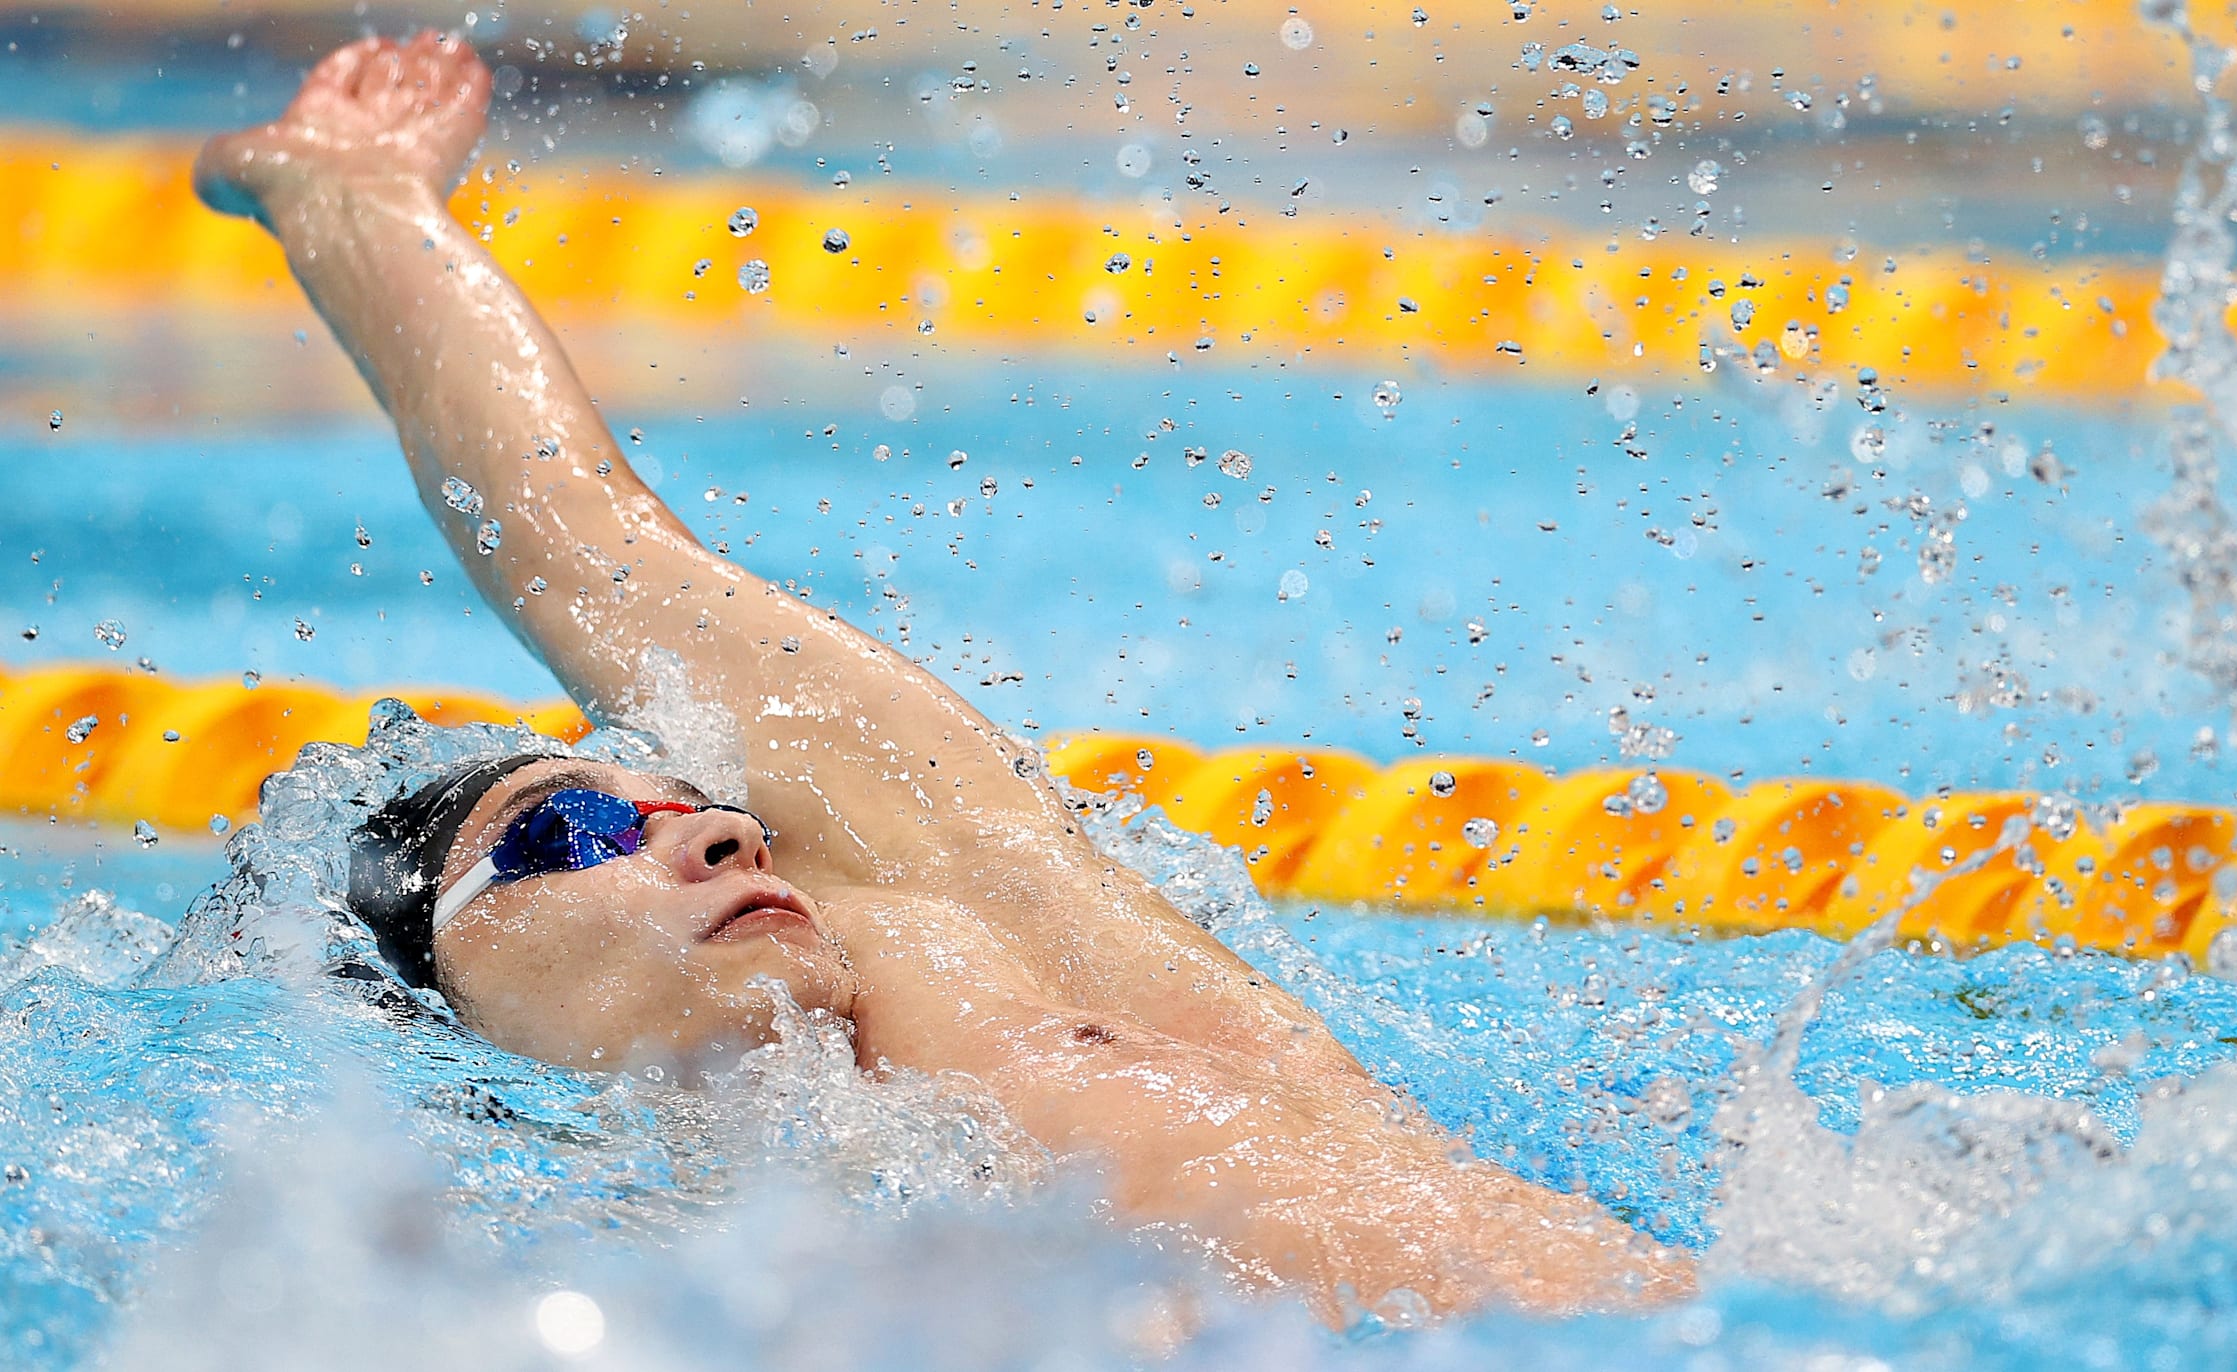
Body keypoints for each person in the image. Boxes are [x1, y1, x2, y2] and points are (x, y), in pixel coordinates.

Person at [194, 30, 1694, 1323]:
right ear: (439, 1012)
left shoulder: (962, 956)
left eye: (689, 804)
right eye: (567, 836)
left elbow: (594, 552)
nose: (713, 830)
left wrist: (360, 203)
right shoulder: (556, 1282)